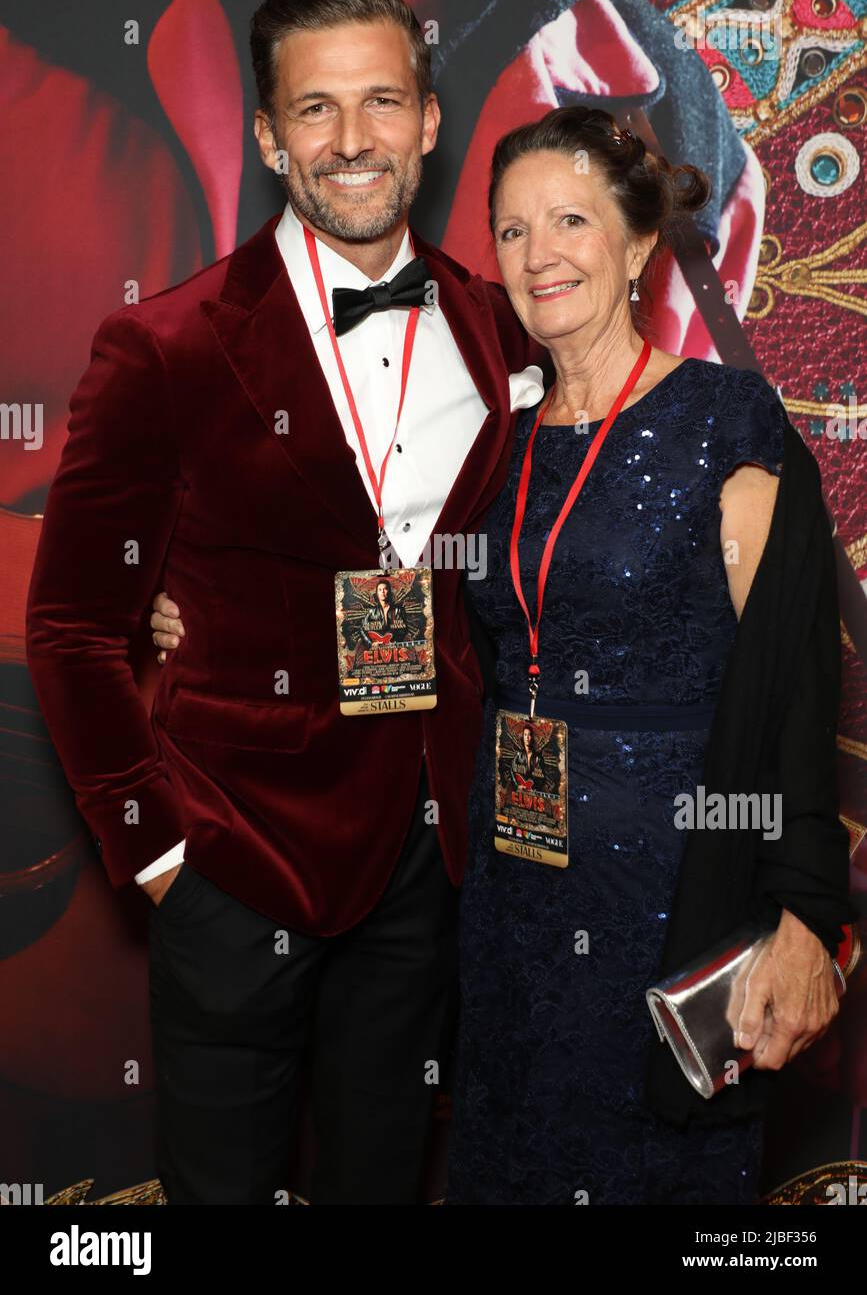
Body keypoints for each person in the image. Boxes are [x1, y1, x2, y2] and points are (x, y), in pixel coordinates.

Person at [154, 105, 854, 1205]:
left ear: (635, 248)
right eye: (514, 232)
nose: (540, 254)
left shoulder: (729, 422)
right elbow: (396, 608)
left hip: (672, 886)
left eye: (571, 220)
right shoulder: (498, 438)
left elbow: (796, 692)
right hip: (510, 897)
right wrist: (198, 612)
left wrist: (809, 916)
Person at [25, 0, 542, 1206]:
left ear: (429, 118)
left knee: (384, 1179)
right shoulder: (167, 343)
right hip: (235, 848)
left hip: (429, 855)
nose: (351, 141)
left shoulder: (501, 327)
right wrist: (154, 853)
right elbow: (72, 626)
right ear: (267, 136)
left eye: (380, 102)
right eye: (315, 110)